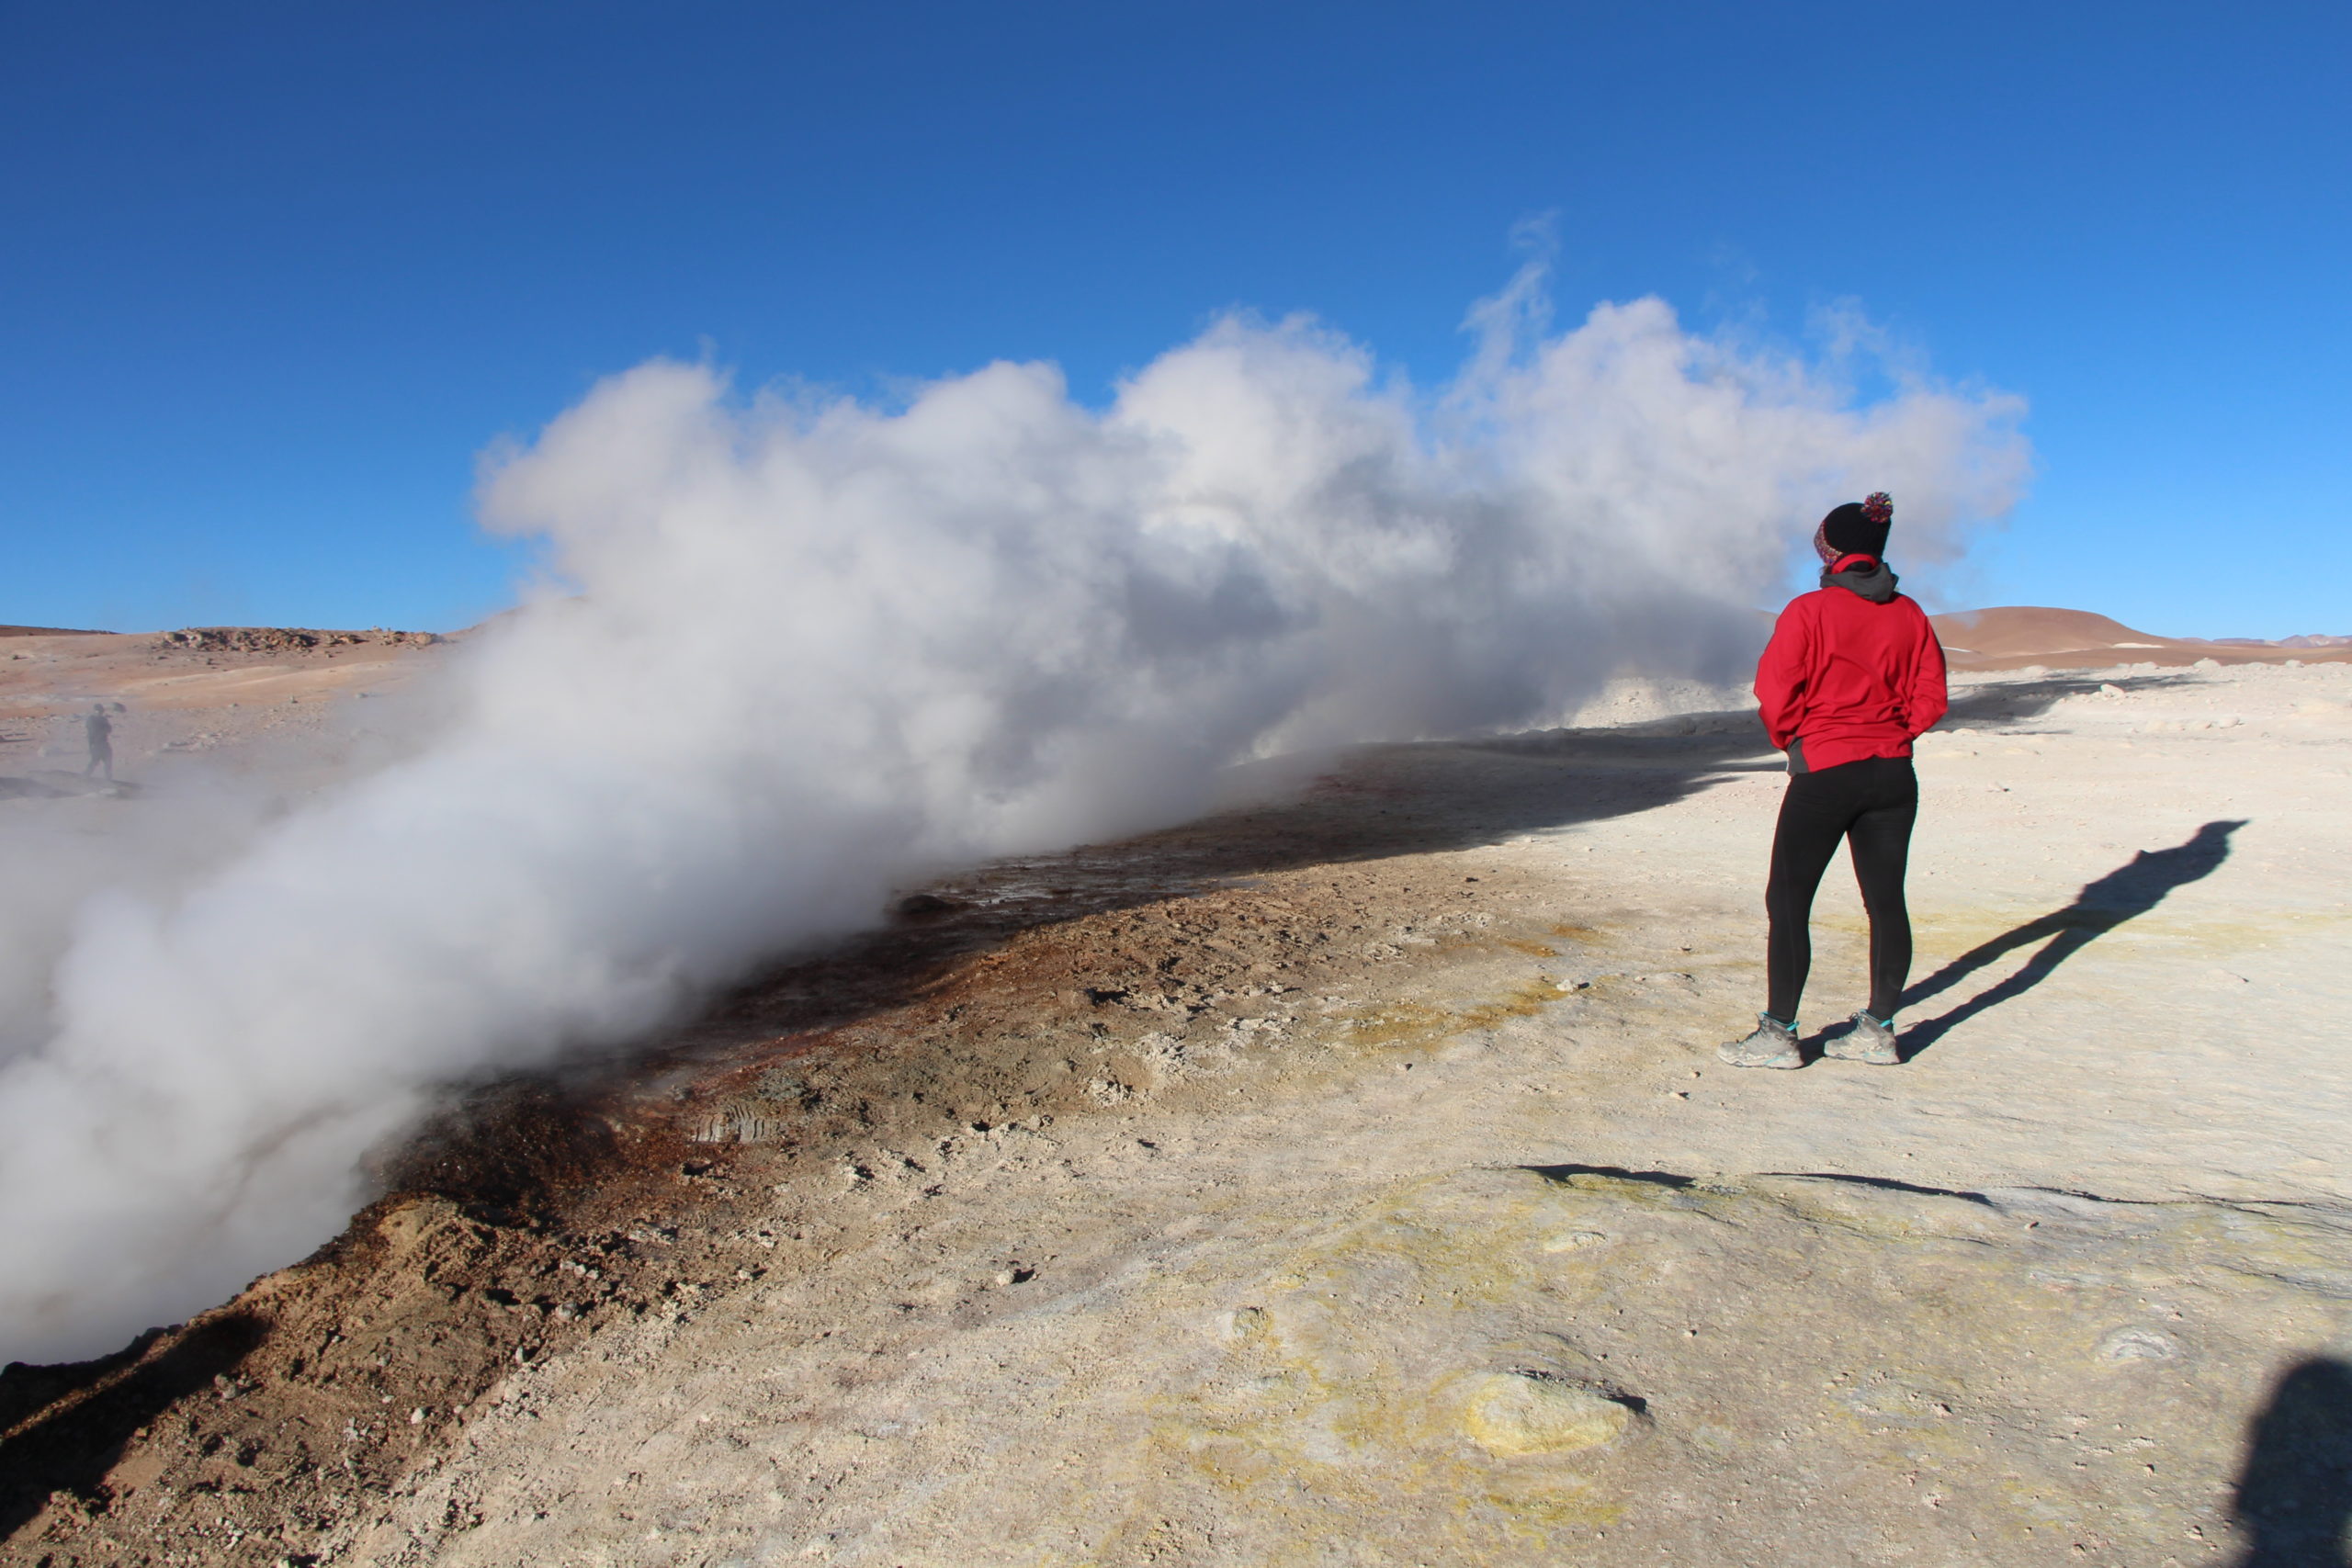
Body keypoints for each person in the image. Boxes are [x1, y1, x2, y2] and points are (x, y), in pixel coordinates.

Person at [1721, 492, 1948, 1068]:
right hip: (1895, 774)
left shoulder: (1807, 611)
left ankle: (1779, 1037)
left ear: (1835, 553)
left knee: (1790, 900)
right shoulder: (1910, 613)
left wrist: (1798, 742)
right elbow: (1932, 696)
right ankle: (1879, 1033)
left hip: (1826, 772)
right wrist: (1897, 736)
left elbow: (1775, 692)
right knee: (1886, 902)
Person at [82, 703, 114, 783]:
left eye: (101, 711)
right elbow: (92, 733)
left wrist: (104, 728)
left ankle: (108, 779)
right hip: (96, 744)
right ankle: (85, 777)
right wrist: (91, 746)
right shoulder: (91, 719)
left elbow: (109, 729)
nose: (100, 713)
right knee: (94, 761)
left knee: (108, 762)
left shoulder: (103, 719)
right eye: (98, 711)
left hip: (104, 743)